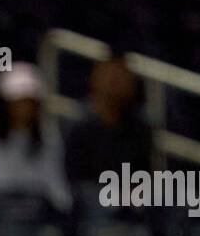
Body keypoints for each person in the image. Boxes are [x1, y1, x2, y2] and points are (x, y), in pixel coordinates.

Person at [0, 61, 71, 211]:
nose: (23, 109)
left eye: (28, 102)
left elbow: (55, 184)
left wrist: (63, 207)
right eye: (17, 102)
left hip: (34, 211)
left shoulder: (48, 136)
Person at [64, 55, 153, 185]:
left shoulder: (139, 128)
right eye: (113, 78)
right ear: (96, 79)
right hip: (91, 196)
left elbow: (142, 175)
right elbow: (75, 180)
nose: (118, 83)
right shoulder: (79, 126)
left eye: (123, 77)